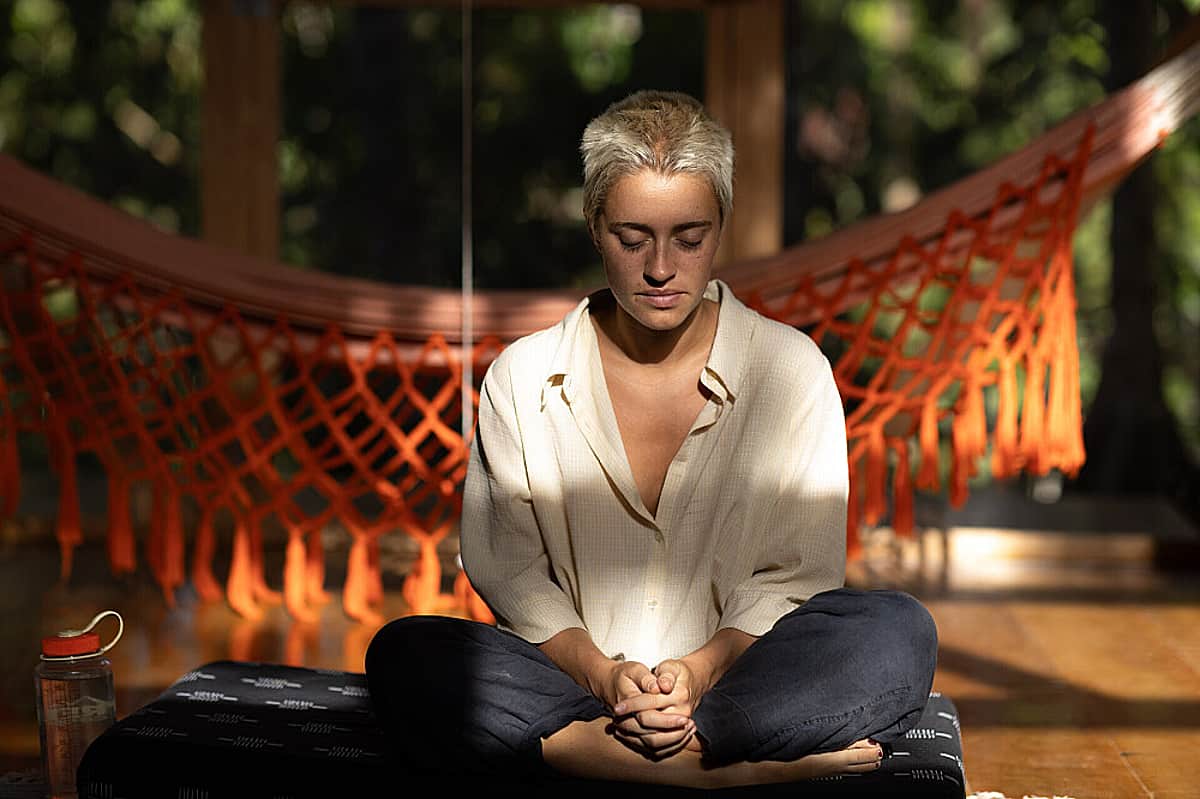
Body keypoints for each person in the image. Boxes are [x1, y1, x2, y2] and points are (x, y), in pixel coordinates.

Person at [365, 90, 937, 790]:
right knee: (406, 652)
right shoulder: (522, 378)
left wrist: (697, 673)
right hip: (575, 690)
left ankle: (598, 759)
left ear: (720, 227)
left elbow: (798, 575)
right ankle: (716, 773)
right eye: (632, 239)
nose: (661, 268)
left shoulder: (792, 371)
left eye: (688, 238)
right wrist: (607, 675)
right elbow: (509, 571)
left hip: (736, 684)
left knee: (897, 632)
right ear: (593, 224)